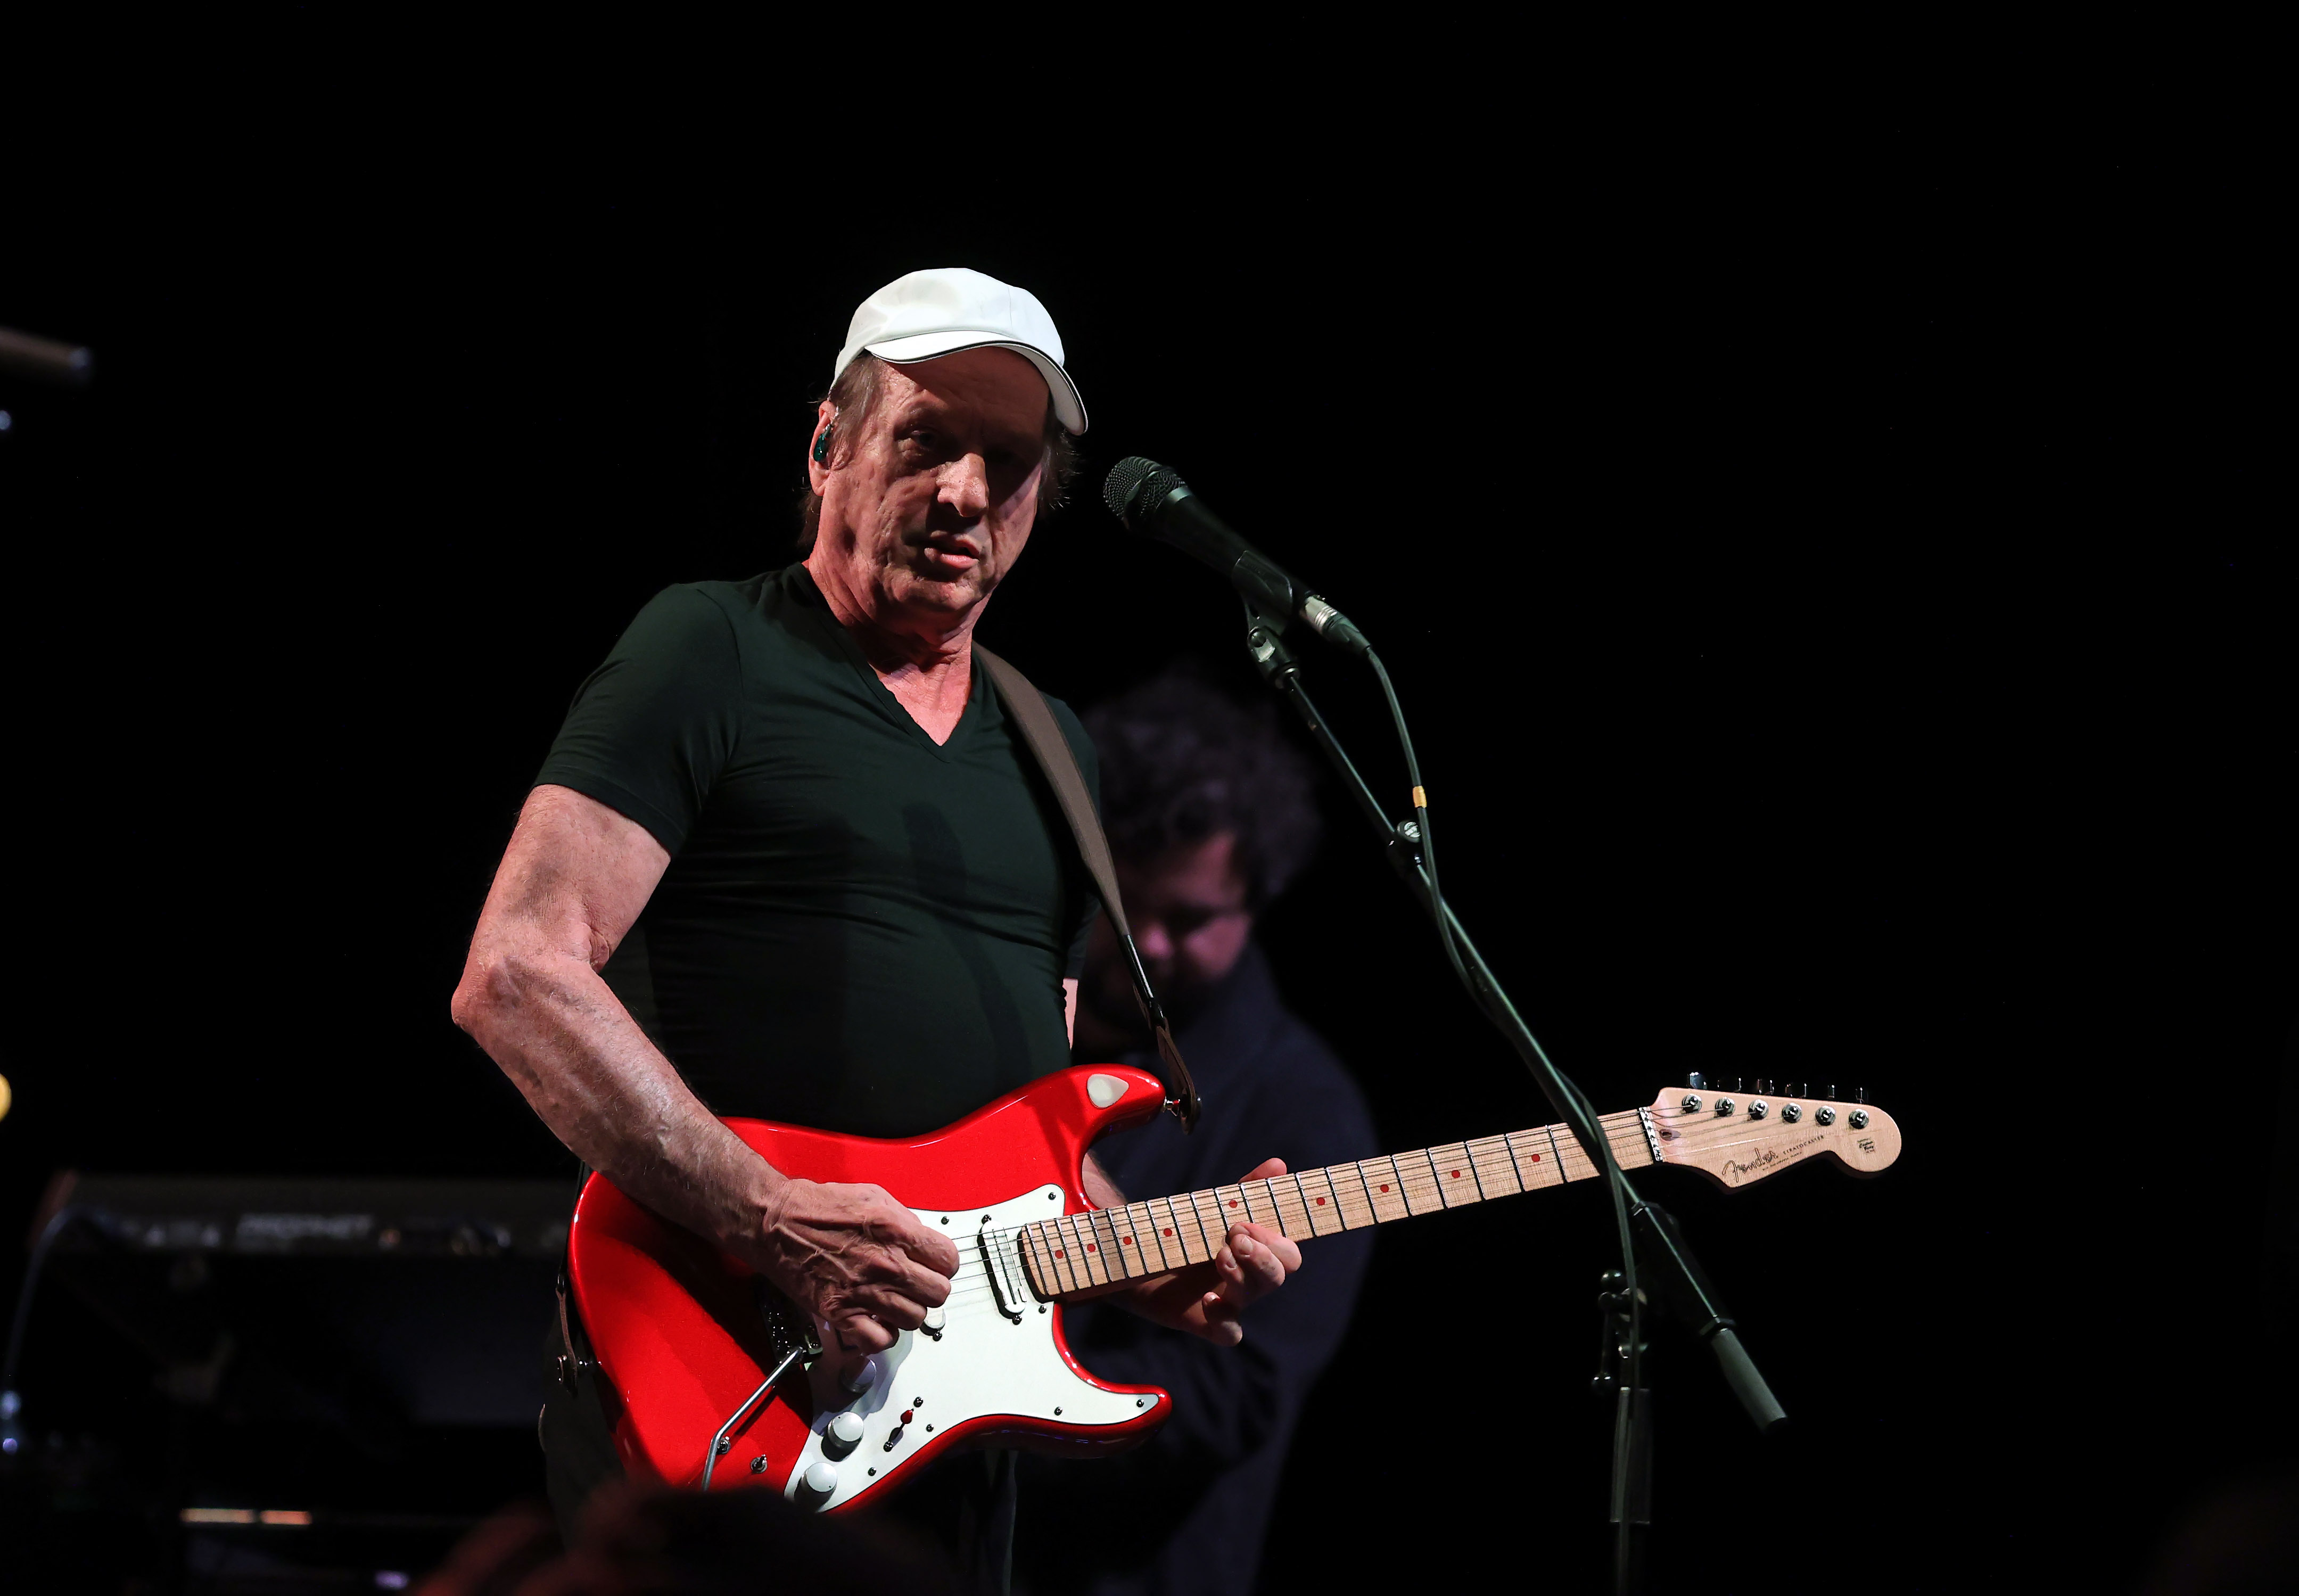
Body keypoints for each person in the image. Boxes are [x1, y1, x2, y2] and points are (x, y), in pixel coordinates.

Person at [449, 268, 1303, 1591]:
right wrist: (771, 1216)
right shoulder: (711, 649)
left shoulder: (1054, 749)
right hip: (720, 1388)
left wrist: (1146, 1262)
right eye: (923, 441)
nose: (964, 492)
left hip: (944, 1440)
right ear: (828, 448)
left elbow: (1031, 1135)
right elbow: (514, 974)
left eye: (1007, 463)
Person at [1015, 670, 1378, 1596]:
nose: (1148, 946)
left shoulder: (1308, 1110)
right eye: (1124, 907)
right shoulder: (1001, 1026)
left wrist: (970, 1413)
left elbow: (1233, 1394)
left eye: (1189, 919)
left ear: (1255, 902)